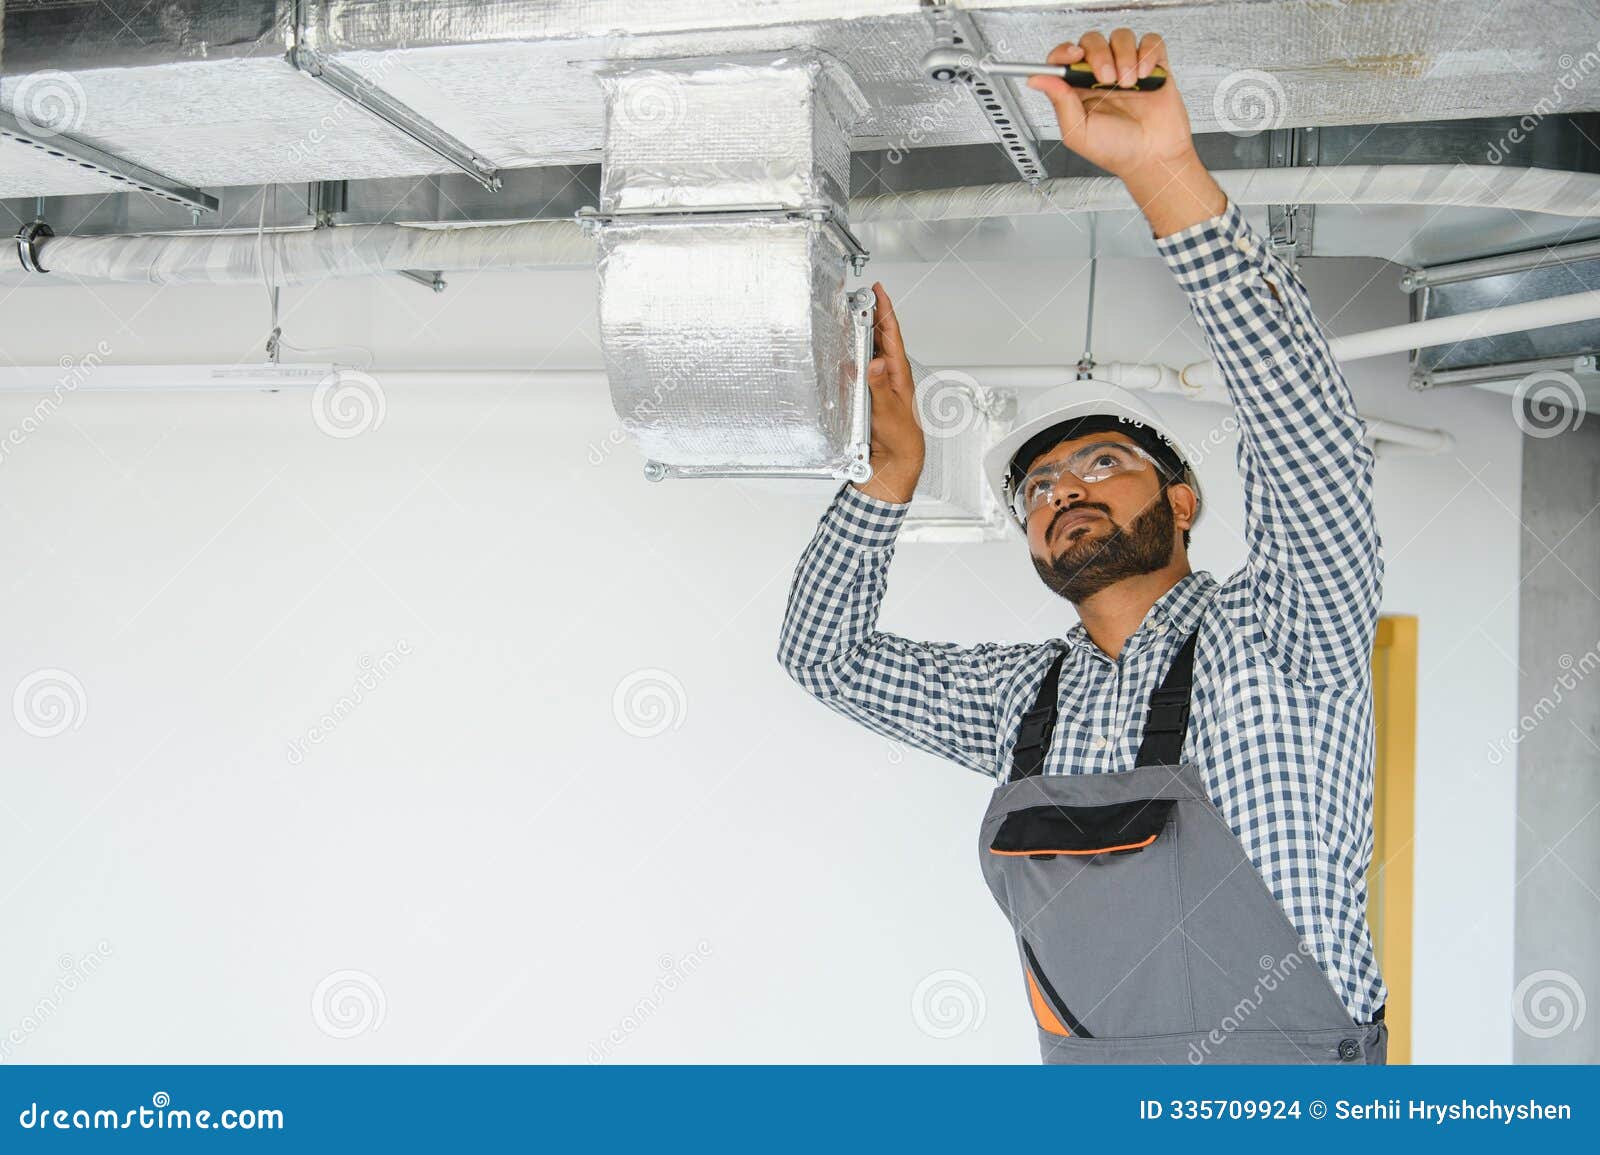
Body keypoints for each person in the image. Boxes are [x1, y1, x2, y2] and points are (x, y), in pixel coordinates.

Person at [778, 28, 1388, 1064]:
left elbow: (1309, 438)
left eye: (1103, 463)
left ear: (1182, 501)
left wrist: (1162, 175)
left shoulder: (1285, 628)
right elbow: (823, 658)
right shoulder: (1023, 704)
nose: (1063, 490)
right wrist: (883, 484)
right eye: (1040, 489)